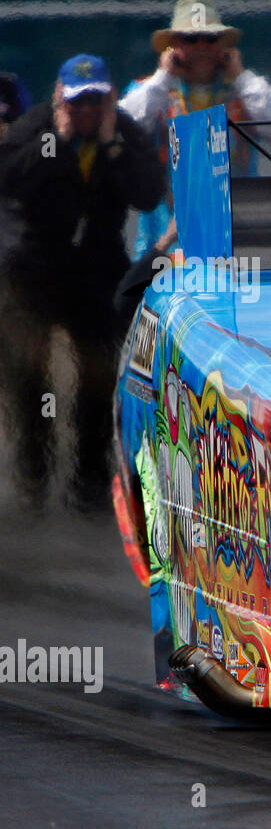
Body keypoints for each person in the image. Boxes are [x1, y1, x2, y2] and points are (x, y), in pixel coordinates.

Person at [0, 55, 166, 510]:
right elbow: (9, 180)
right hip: (35, 266)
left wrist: (112, 146)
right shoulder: (37, 128)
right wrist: (57, 139)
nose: (87, 112)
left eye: (95, 102)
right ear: (61, 98)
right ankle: (33, 482)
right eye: (78, 102)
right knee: (30, 382)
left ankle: (90, 487)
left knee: (97, 383)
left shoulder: (124, 134)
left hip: (95, 266)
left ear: (110, 99)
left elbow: (148, 193)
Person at [120, 0, 271, 258]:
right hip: (167, 244)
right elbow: (122, 127)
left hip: (233, 242)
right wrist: (164, 77)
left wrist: (241, 76)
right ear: (173, 46)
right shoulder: (152, 89)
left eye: (210, 38)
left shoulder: (244, 91)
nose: (201, 46)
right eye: (191, 39)